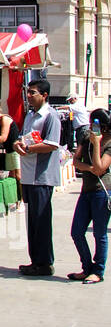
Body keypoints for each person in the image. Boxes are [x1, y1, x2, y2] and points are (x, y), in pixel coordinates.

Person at [13, 78, 61, 276]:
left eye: (33, 92)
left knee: (41, 220)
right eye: (28, 92)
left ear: (44, 95)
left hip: (42, 177)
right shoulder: (30, 116)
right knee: (32, 221)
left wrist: (29, 148)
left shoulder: (51, 116)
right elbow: (24, 138)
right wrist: (18, 144)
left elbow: (51, 144)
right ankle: (35, 260)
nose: (29, 95)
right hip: (28, 175)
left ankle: (44, 262)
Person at [69, 108, 111, 284]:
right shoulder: (86, 137)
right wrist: (88, 168)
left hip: (102, 192)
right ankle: (87, 267)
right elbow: (76, 161)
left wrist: (97, 145)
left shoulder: (109, 143)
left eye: (97, 125)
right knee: (77, 231)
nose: (94, 128)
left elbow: (100, 167)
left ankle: (98, 271)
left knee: (99, 233)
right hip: (86, 190)